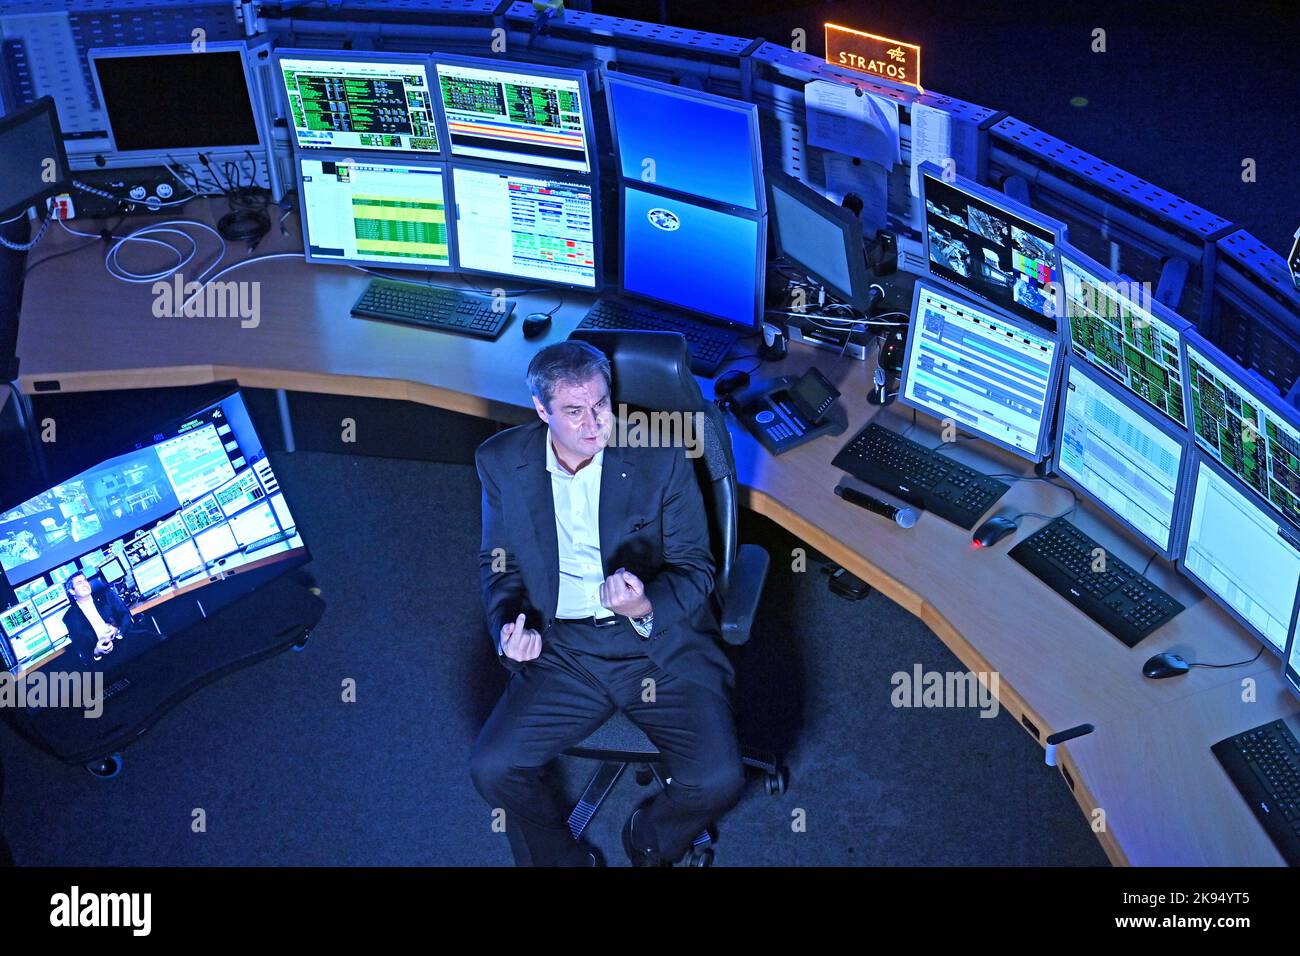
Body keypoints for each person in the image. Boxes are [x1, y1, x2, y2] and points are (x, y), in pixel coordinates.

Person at [470, 341, 744, 866]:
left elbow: (696, 568)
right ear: (541, 411)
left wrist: (644, 607)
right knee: (493, 767)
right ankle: (560, 859)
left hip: (654, 645)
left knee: (717, 780)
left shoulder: (659, 455)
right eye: (574, 412)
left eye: (602, 404)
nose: (596, 424)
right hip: (564, 648)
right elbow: (497, 562)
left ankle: (650, 837)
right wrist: (509, 626)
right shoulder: (501, 461)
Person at [62, 572, 135, 665]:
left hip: (124, 640)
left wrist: (117, 631)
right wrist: (97, 652)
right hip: (104, 659)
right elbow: (81, 649)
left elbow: (126, 615)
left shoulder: (106, 595)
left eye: (85, 580)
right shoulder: (70, 618)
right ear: (72, 591)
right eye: (79, 583)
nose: (85, 584)